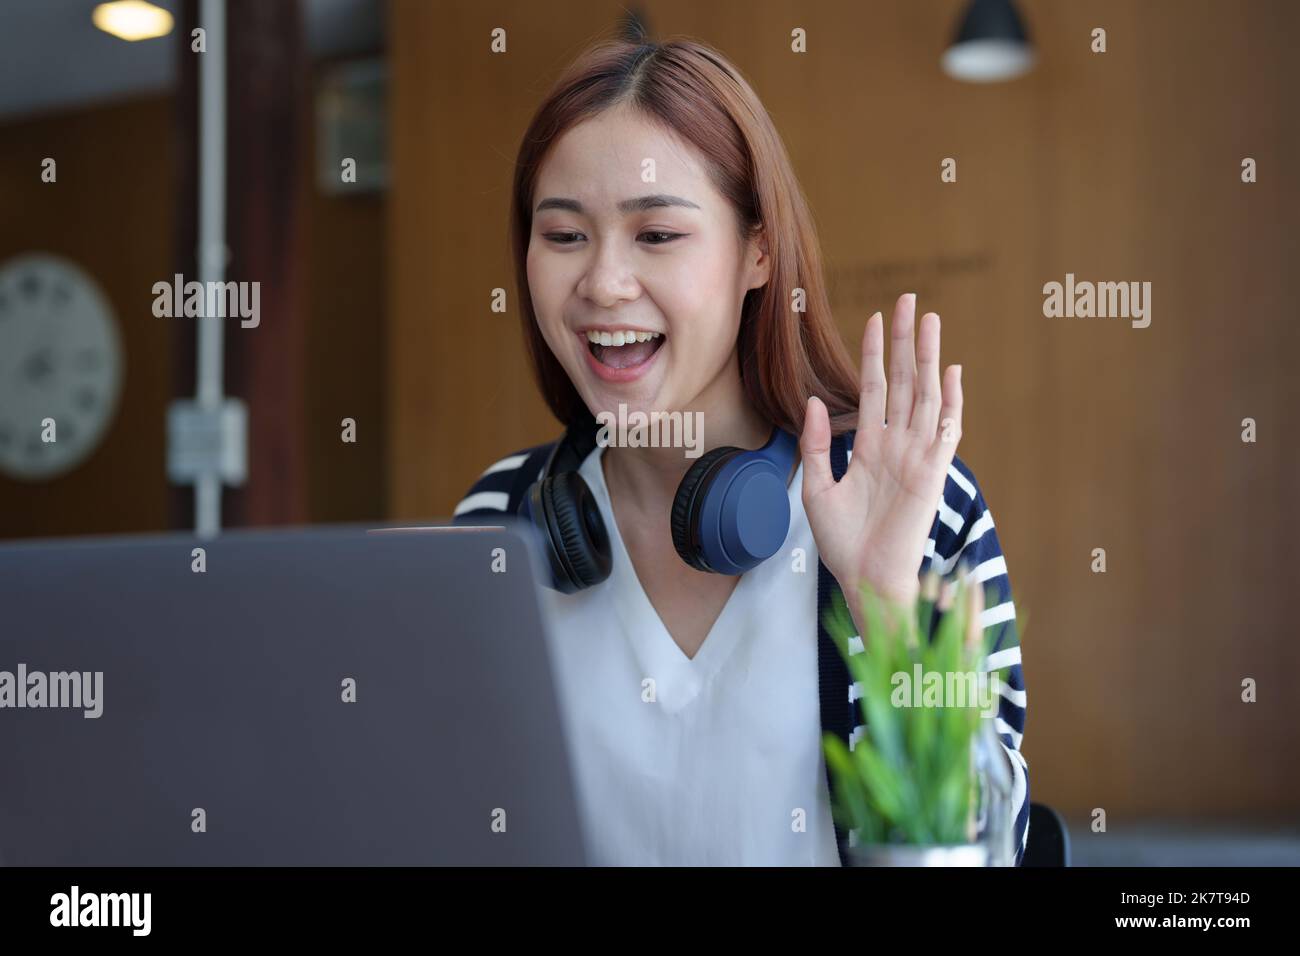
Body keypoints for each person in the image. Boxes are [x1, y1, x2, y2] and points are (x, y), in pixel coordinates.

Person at [454, 36, 1028, 866]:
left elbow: (991, 851)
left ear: (758, 250)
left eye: (657, 234)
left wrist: (887, 614)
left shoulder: (915, 503)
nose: (603, 284)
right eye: (565, 235)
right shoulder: (502, 518)